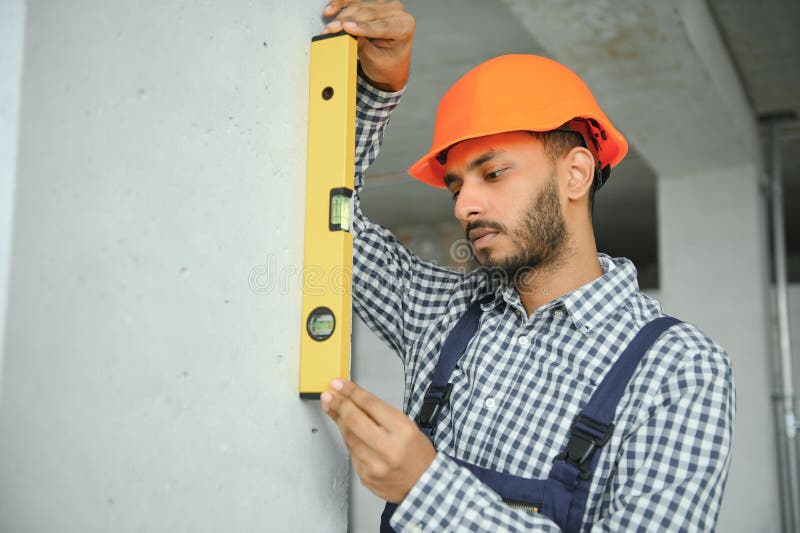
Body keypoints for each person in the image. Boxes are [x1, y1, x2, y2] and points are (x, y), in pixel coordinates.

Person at [318, 1, 735, 531]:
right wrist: (378, 89)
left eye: (492, 174)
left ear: (576, 175)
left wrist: (425, 488)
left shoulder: (679, 368)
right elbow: (331, 218)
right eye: (456, 185)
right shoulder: (438, 313)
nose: (464, 205)